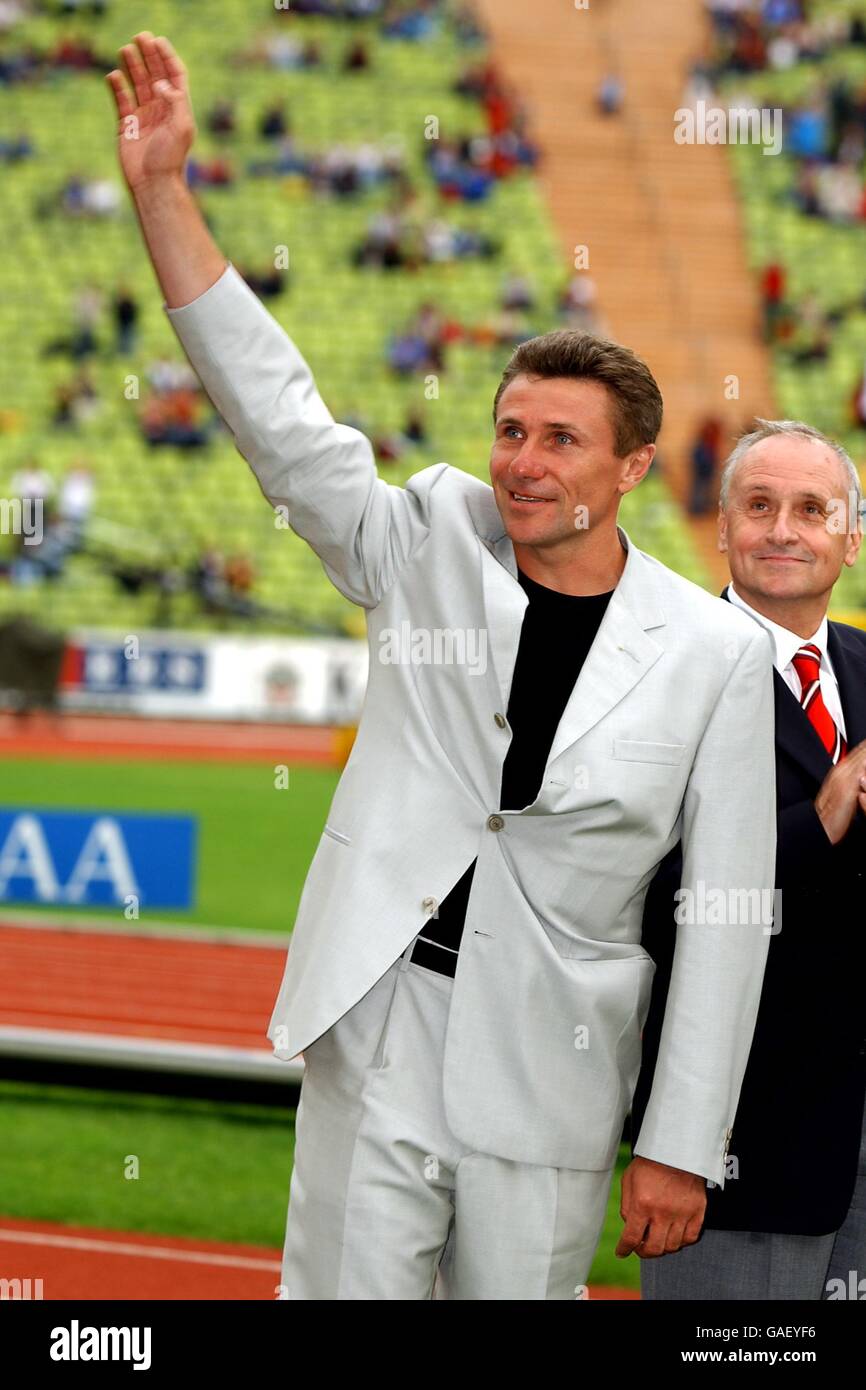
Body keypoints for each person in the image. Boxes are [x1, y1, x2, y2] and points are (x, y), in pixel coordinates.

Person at [107, 31, 777, 1300]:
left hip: (554, 1066)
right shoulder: (424, 537)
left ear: (630, 467)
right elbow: (280, 417)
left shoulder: (711, 652)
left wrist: (681, 1145)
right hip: (379, 1024)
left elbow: (726, 920)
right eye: (510, 429)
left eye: (561, 440)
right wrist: (162, 192)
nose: (523, 459)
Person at [633, 419, 866, 1300]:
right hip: (738, 1132)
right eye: (759, 506)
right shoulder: (659, 671)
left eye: (813, 509)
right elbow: (647, 893)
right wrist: (823, 817)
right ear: (721, 528)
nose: (782, 529)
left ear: (850, 536)